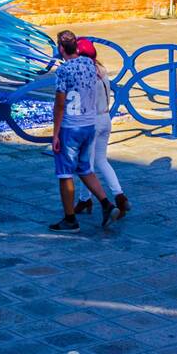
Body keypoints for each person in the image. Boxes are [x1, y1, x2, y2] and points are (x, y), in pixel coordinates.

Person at [50, 30, 118, 232]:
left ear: (61, 48)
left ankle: (70, 218)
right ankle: (106, 204)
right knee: (85, 168)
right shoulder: (90, 64)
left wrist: (55, 134)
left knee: (64, 174)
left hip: (71, 125)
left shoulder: (63, 71)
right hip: (89, 124)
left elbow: (60, 104)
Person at [74, 38, 129, 218]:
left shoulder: (85, 74)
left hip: (92, 121)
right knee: (100, 160)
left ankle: (85, 199)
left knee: (86, 165)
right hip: (105, 118)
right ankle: (119, 195)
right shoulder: (101, 70)